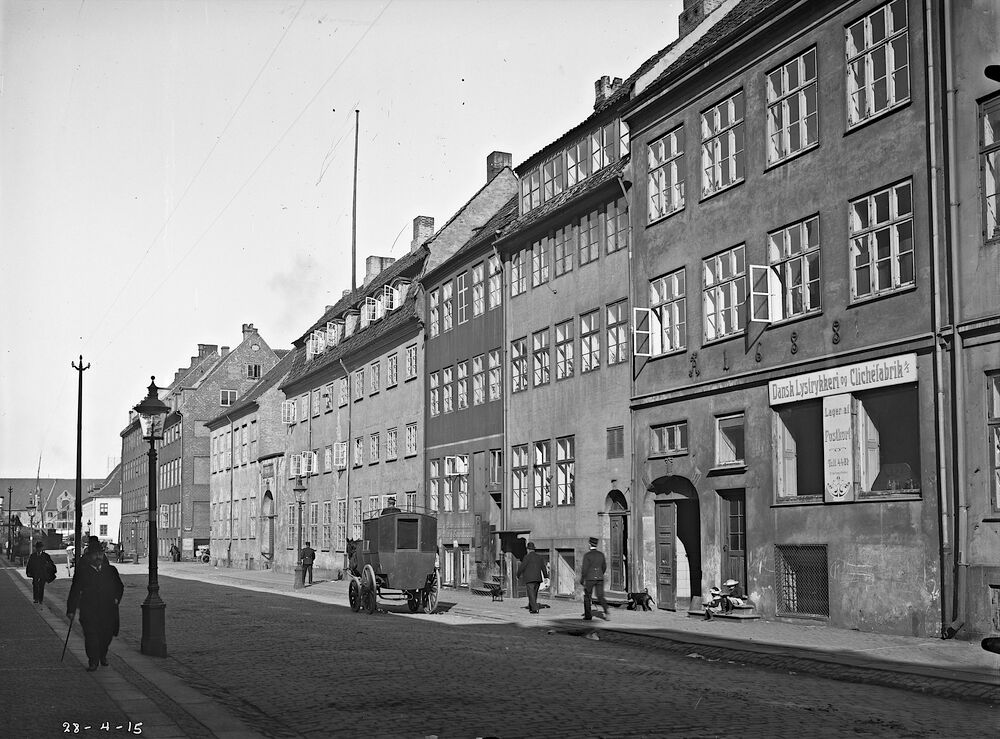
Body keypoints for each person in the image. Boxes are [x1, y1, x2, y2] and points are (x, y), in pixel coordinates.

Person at [67, 536, 124, 671]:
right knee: (91, 635)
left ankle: (102, 654)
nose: (98, 556)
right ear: (90, 556)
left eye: (100, 554)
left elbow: (119, 587)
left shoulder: (111, 571)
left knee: (106, 635)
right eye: (95, 554)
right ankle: (93, 660)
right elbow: (75, 590)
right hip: (89, 609)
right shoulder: (83, 572)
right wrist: (71, 609)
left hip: (107, 610)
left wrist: (116, 598)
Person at [580, 536, 609, 621]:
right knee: (600, 596)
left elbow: (584, 569)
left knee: (587, 596)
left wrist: (582, 579)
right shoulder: (601, 554)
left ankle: (588, 616)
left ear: (589, 544)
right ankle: (606, 611)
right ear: (596, 545)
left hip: (590, 578)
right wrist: (600, 574)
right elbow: (604, 566)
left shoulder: (587, 555)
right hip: (600, 578)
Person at [516, 542, 548, 614]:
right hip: (537, 579)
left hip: (529, 579)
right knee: (534, 594)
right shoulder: (539, 557)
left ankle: (535, 608)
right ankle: (531, 607)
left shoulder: (527, 557)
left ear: (528, 549)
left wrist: (518, 575)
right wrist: (546, 577)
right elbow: (543, 567)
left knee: (531, 594)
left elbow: (522, 567)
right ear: (534, 549)